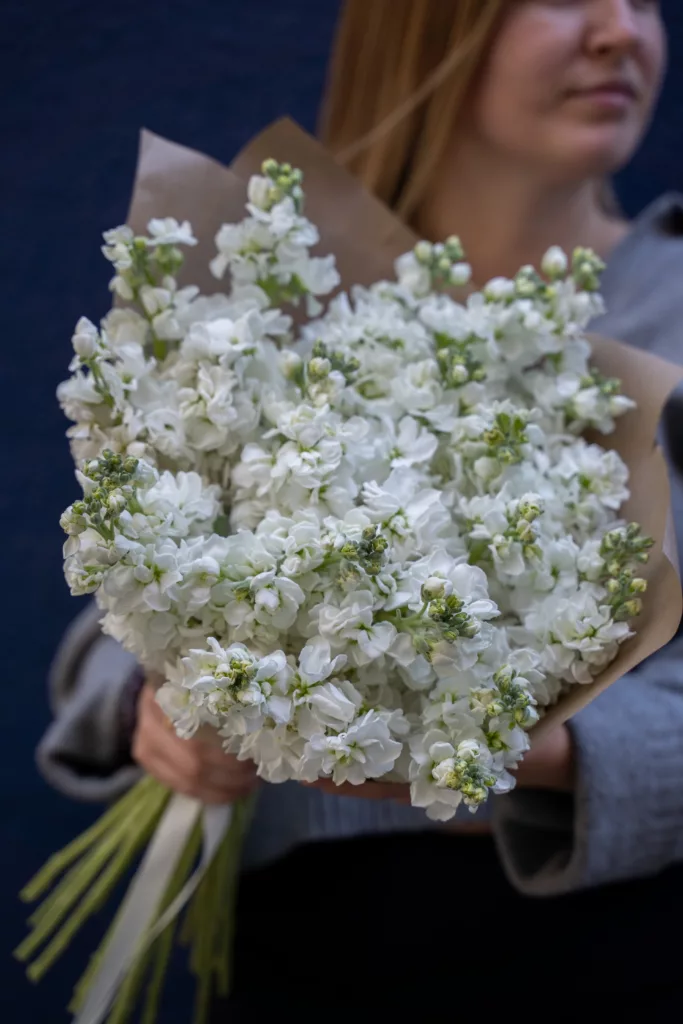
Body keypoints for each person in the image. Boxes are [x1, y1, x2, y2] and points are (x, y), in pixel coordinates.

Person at [39, 0, 683, 1014]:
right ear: (427, 28)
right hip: (302, 948)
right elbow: (123, 595)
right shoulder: (276, 294)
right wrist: (162, 705)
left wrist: (522, 747)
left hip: (607, 951)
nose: (619, 29)